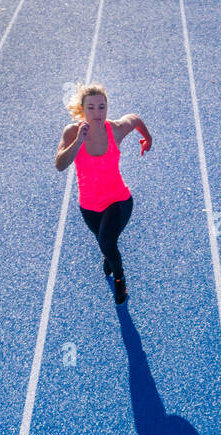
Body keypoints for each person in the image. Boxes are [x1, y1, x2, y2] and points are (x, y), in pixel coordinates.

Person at [55, 83, 152, 305]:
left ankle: (120, 280)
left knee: (107, 242)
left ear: (107, 107)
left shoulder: (115, 129)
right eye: (91, 108)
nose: (97, 113)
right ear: (83, 109)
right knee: (105, 242)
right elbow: (60, 164)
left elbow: (135, 119)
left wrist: (148, 138)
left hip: (119, 199)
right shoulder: (72, 132)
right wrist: (79, 141)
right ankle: (108, 254)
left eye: (102, 107)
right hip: (89, 206)